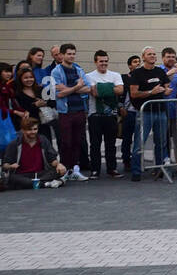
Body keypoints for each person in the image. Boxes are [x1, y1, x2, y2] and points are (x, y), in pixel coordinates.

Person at [129, 47, 172, 181]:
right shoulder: (137, 73)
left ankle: (159, 169)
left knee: (161, 142)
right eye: (149, 54)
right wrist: (150, 93)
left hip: (160, 111)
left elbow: (167, 86)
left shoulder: (160, 71)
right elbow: (133, 93)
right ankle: (136, 171)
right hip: (145, 113)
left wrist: (166, 91)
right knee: (139, 143)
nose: (152, 56)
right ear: (143, 57)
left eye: (154, 54)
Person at [51, 43, 90, 181]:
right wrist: (78, 86)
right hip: (65, 112)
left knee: (77, 141)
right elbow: (58, 94)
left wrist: (69, 88)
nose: (72, 56)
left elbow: (88, 88)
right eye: (69, 53)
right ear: (62, 55)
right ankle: (64, 169)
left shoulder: (78, 70)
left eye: (73, 53)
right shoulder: (56, 71)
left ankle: (75, 169)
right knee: (66, 142)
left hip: (79, 110)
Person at [84, 50, 124, 179]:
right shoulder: (89, 76)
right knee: (95, 144)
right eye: (101, 61)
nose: (104, 64)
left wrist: (100, 88)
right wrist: (111, 88)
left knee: (110, 144)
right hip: (94, 115)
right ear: (96, 62)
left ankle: (112, 169)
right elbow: (94, 93)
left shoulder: (115, 75)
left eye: (106, 61)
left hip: (111, 115)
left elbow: (120, 90)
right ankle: (95, 170)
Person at [2, 116, 66, 189]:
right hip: (22, 175)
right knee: (12, 178)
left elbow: (52, 159)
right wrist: (11, 166)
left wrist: (58, 164)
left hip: (40, 173)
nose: (33, 132)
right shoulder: (14, 144)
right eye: (29, 130)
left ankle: (35, 183)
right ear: (23, 130)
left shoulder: (43, 140)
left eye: (35, 129)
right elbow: (5, 165)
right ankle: (46, 184)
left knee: (58, 171)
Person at [120, 55, 141, 171]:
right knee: (127, 138)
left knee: (139, 139)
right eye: (134, 62)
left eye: (139, 62)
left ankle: (137, 161)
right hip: (129, 112)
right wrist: (120, 107)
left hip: (140, 111)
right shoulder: (125, 78)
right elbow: (120, 94)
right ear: (129, 65)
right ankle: (126, 160)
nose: (137, 64)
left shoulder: (143, 77)